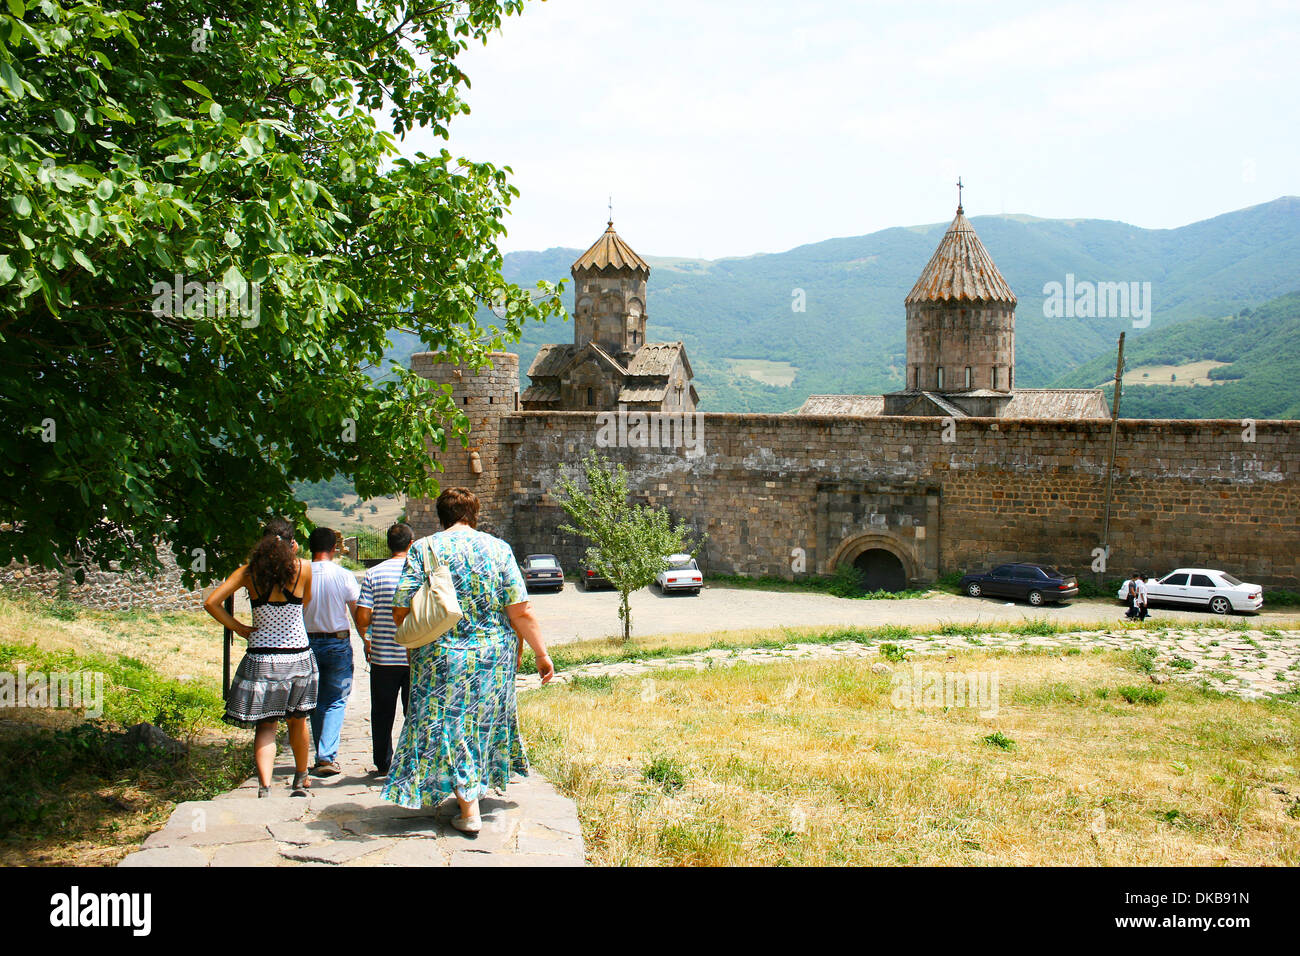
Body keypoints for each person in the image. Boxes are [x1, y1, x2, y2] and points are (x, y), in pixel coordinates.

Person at [385, 488, 555, 833]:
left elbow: (400, 608)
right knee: (480, 724)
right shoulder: (498, 549)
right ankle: (471, 793)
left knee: (450, 725)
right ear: (474, 514)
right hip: (493, 656)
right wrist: (541, 653)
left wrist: (415, 639)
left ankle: (468, 807)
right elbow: (521, 610)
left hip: (439, 656)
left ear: (441, 515)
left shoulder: (424, 548)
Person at [203, 519, 316, 797]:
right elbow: (306, 603)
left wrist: (238, 627)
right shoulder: (304, 569)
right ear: (293, 544)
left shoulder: (248, 572)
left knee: (266, 725)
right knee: (297, 721)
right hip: (297, 656)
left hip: (262, 656)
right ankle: (300, 778)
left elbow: (211, 602)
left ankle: (264, 786)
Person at [356, 523, 415, 777]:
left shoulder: (373, 574)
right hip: (414, 655)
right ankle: (413, 760)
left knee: (382, 712)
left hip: (383, 656)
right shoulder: (419, 573)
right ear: (411, 544)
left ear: (388, 545)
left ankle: (383, 762)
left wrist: (367, 634)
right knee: (414, 711)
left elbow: (363, 617)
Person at [302, 526, 361, 777]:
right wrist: (365, 639)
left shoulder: (299, 575)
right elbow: (358, 612)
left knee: (315, 700)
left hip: (306, 643)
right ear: (334, 548)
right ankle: (327, 755)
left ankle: (321, 753)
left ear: (310, 548)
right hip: (337, 643)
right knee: (337, 698)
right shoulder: (344, 575)